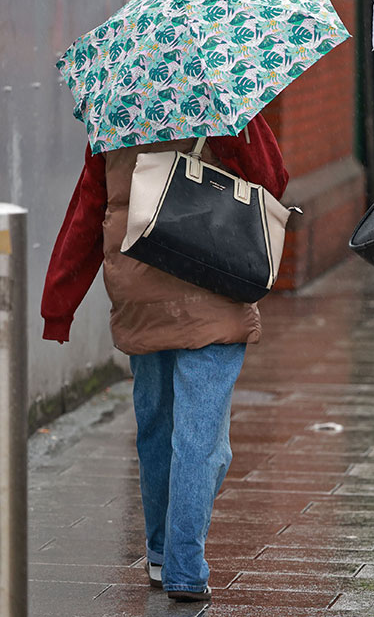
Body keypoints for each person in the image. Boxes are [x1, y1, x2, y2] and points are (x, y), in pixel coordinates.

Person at [41, 115, 288, 602]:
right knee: (201, 440)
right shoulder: (222, 103)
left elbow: (86, 211)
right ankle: (184, 566)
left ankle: (160, 554)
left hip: (140, 294)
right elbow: (273, 179)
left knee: (156, 428)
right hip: (213, 282)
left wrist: (58, 304)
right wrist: (232, 128)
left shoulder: (116, 115)